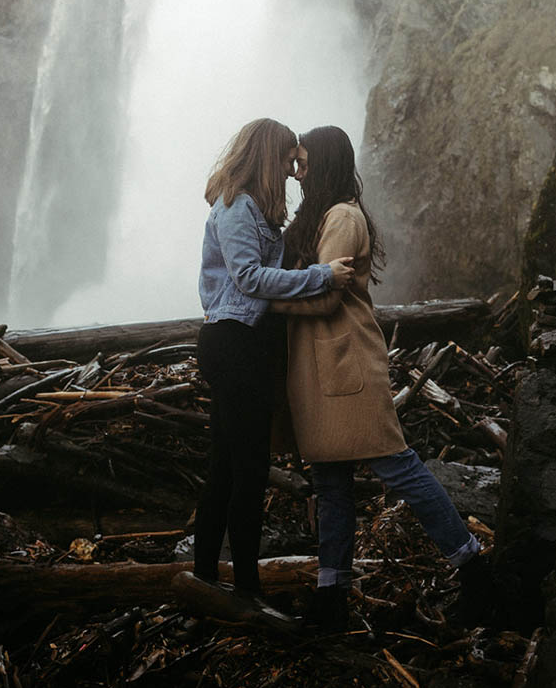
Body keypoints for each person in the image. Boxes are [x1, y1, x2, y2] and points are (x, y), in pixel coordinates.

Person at [271, 125, 495, 630]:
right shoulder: (318, 216)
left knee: (401, 468)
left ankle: (476, 571)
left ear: (324, 162)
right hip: (321, 370)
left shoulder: (344, 217)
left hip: (348, 364)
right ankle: (332, 598)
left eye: (304, 161)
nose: (297, 171)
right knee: (330, 485)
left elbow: (326, 296)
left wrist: (262, 299)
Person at [188, 118, 355, 599]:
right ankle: (246, 589)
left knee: (225, 465)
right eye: (287, 158)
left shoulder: (253, 210)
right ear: (268, 156)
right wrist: (321, 276)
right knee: (249, 470)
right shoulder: (238, 207)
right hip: (234, 344)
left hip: (241, 344)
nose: (291, 169)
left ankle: (205, 577)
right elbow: (249, 278)